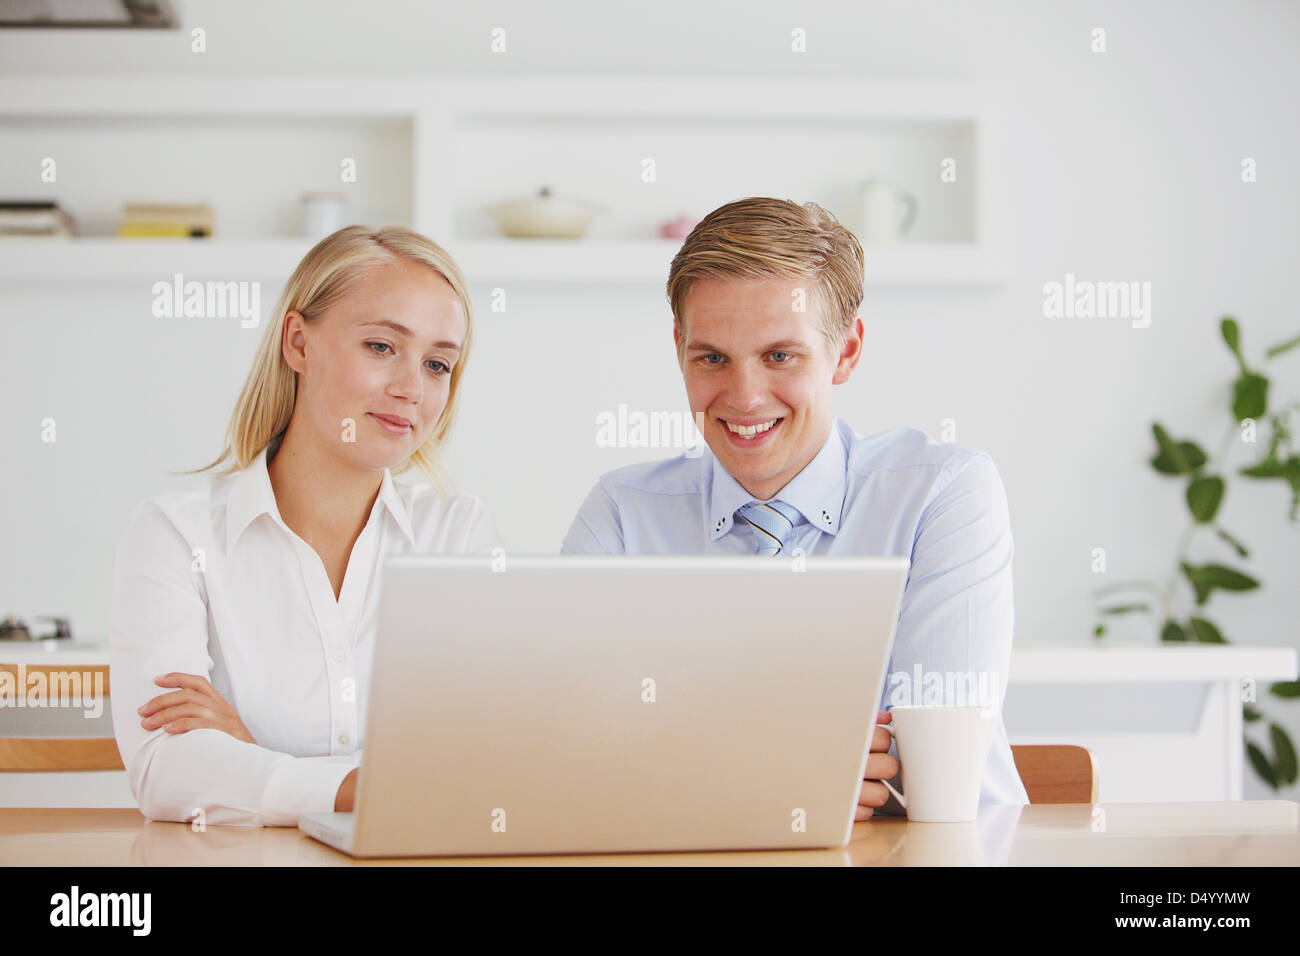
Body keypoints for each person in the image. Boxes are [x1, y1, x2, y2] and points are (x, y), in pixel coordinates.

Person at [562, 197, 1029, 819]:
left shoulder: (943, 494)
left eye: (780, 356)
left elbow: (932, 770)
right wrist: (780, 767)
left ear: (847, 350)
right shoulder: (622, 513)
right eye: (712, 358)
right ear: (679, 348)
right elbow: (567, 753)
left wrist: (686, 754)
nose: (745, 396)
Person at [110, 226, 500, 827]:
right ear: (298, 342)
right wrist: (358, 787)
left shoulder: (456, 536)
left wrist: (255, 760)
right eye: (380, 346)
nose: (410, 389)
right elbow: (166, 769)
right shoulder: (176, 538)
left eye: (438, 364)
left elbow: (477, 759)